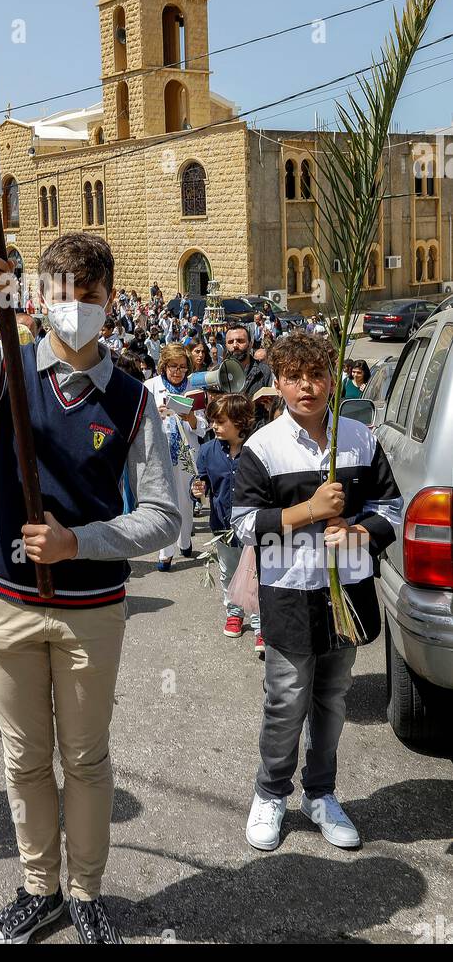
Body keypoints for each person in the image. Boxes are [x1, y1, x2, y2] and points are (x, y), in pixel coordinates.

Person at [0, 233, 180, 945]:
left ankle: (86, 893)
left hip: (91, 611)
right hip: (7, 604)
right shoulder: (6, 370)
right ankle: (40, 889)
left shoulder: (132, 401)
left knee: (85, 760)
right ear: (40, 298)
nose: (75, 307)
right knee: (24, 758)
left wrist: (77, 543)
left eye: (89, 296)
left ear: (110, 301)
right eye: (62, 293)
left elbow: (164, 516)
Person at [231, 331, 402, 853]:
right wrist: (309, 511)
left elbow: (391, 508)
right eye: (294, 378)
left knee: (332, 697)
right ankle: (271, 792)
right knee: (286, 699)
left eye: (316, 375)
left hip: (346, 590)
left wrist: (359, 532)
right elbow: (243, 524)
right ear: (278, 383)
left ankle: (320, 793)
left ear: (332, 378)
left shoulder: (359, 438)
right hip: (289, 591)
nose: (307, 387)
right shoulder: (263, 447)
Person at [192, 393, 262, 652]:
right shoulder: (208, 451)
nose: (214, 426)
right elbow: (201, 482)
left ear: (240, 421)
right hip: (222, 524)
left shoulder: (258, 448)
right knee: (228, 572)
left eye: (220, 422)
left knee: (256, 574)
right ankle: (234, 612)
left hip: (254, 525)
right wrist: (197, 489)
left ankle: (261, 624)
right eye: (212, 421)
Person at [146, 342, 207, 570]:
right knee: (166, 501)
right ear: (164, 365)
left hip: (186, 454)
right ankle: (166, 552)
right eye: (173, 366)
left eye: (182, 366)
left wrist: (190, 417)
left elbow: (203, 427)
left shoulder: (194, 389)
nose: (178, 371)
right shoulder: (150, 386)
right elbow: (141, 420)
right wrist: (156, 415)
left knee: (186, 500)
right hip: (160, 452)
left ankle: (185, 540)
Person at [224, 324, 273, 412]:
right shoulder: (219, 373)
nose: (235, 345)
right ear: (226, 345)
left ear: (250, 344)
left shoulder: (264, 371)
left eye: (240, 341)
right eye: (230, 342)